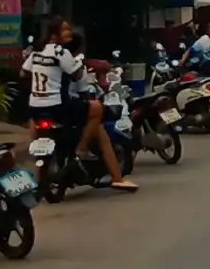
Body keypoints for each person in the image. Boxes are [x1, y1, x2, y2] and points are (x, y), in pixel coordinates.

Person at [22, 17, 137, 192]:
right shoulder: (61, 53)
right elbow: (76, 76)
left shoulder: (36, 52)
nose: (69, 33)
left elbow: (23, 73)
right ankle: (82, 149)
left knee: (41, 134)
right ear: (55, 34)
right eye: (65, 30)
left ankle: (39, 181)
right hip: (58, 106)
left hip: (36, 107)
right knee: (96, 109)